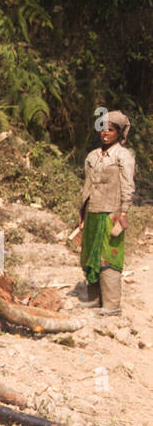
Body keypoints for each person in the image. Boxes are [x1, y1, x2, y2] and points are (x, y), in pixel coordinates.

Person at [77, 110, 135, 315]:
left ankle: (111, 304)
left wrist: (124, 210)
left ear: (119, 133)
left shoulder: (123, 156)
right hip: (92, 211)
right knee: (90, 253)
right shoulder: (92, 156)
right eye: (102, 129)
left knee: (109, 256)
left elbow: (127, 185)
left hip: (112, 212)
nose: (105, 133)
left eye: (110, 130)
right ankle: (94, 298)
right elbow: (87, 186)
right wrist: (82, 212)